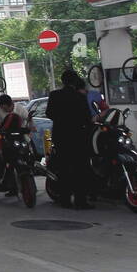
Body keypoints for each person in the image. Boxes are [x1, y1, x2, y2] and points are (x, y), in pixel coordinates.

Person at [45, 69, 93, 209]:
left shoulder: (54, 95)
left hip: (61, 137)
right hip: (78, 137)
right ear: (74, 81)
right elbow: (87, 118)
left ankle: (64, 200)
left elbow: (49, 113)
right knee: (80, 169)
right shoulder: (80, 97)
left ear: (63, 81)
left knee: (64, 169)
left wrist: (61, 120)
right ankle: (80, 201)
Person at [0, 93, 27, 196]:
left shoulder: (20, 109)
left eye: (3, 107)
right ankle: (1, 177)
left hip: (19, 137)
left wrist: (31, 129)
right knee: (0, 155)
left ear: (10, 104)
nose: (2, 109)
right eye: (1, 107)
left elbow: (29, 119)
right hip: (5, 137)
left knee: (29, 151)